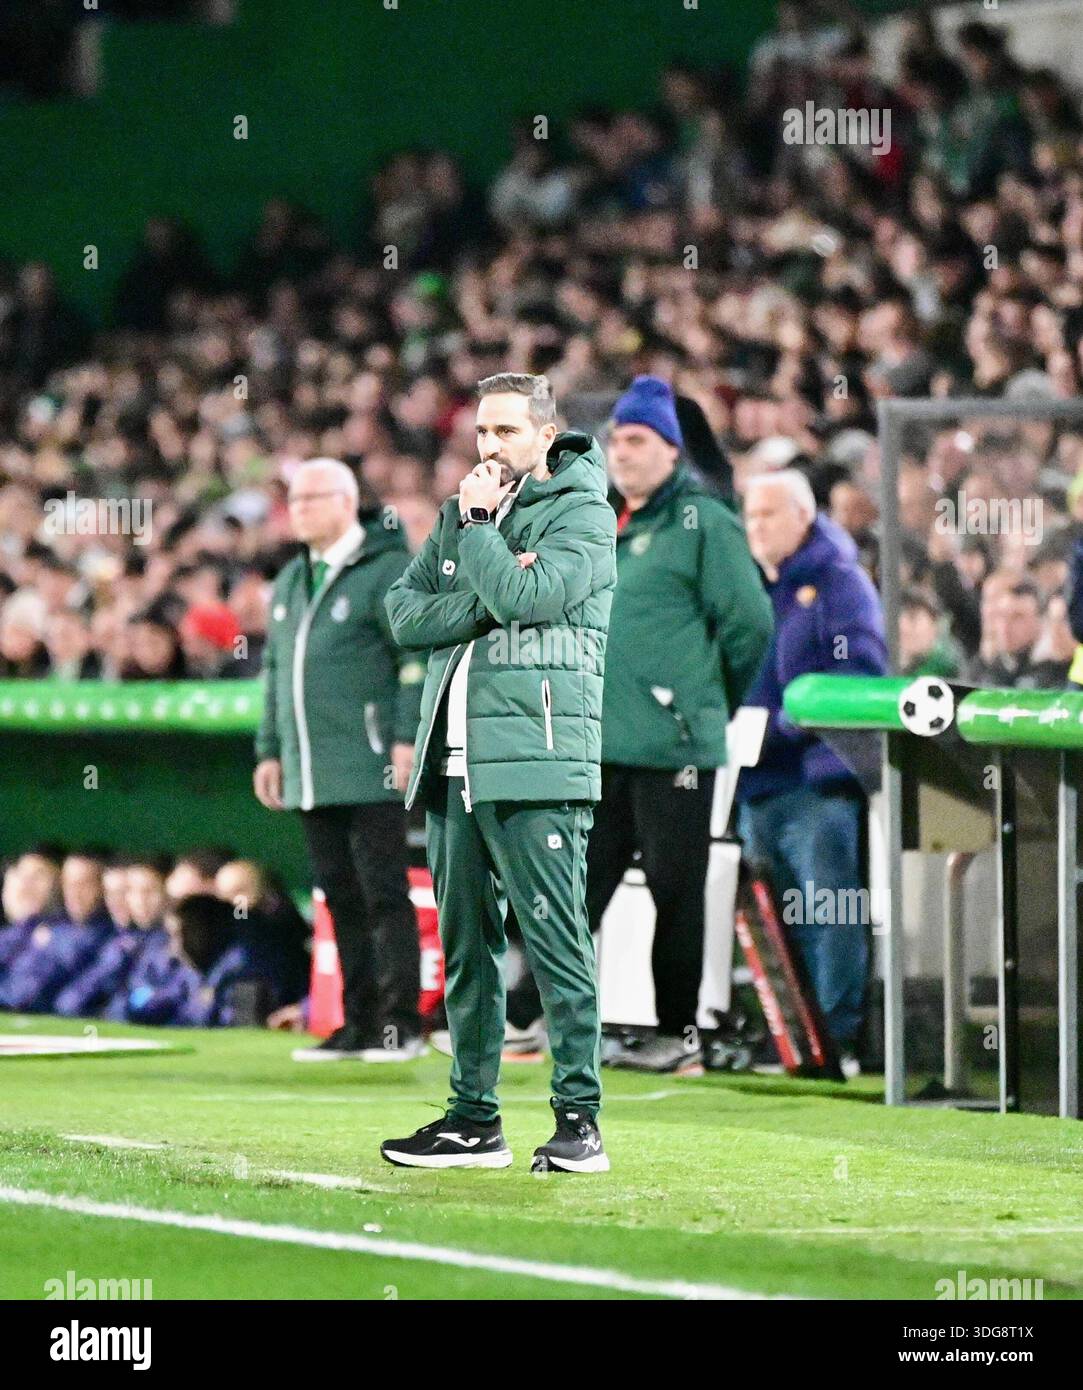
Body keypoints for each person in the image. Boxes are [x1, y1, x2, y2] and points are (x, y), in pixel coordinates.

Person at [381, 372, 616, 1172]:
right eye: (482, 432)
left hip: (539, 760)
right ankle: (472, 1119)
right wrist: (488, 582)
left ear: (546, 436)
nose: (489, 448)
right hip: (455, 763)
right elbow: (405, 613)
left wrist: (481, 537)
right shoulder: (467, 512)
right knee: (464, 947)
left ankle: (580, 1121)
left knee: (556, 944)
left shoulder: (583, 510)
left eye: (507, 432)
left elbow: (534, 594)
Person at [526, 375, 773, 1074]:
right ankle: (552, 1022)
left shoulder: (705, 523)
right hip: (600, 743)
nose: (620, 452)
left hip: (675, 749)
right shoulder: (604, 522)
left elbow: (750, 624)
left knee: (675, 892)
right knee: (577, 889)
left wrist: (702, 701)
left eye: (635, 440)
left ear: (670, 450)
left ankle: (677, 1036)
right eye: (614, 440)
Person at [253, 458, 426, 1062]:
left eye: (308, 498)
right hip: (310, 768)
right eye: (292, 499)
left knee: (385, 893)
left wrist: (406, 738)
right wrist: (269, 749)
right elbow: (275, 673)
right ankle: (356, 1022)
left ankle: (400, 1022)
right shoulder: (291, 582)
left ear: (345, 501)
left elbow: (416, 661)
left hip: (370, 761)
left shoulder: (387, 571)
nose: (296, 509)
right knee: (339, 897)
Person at [736, 470, 888, 1063]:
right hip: (756, 781)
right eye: (750, 515)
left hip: (816, 780)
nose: (756, 527)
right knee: (779, 921)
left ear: (804, 515)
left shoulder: (840, 585)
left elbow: (858, 677)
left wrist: (780, 724)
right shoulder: (753, 587)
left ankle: (837, 1039)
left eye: (768, 514)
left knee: (829, 909)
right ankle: (796, 1042)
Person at [0, 852, 113, 1013]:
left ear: (101, 888)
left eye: (84, 884)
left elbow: (62, 998)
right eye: (69, 884)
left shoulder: (108, 937)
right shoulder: (47, 927)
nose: (75, 892)